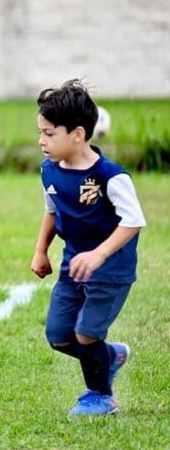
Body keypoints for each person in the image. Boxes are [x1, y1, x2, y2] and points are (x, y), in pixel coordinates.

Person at [31, 79, 145, 416]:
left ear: (77, 134)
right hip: (72, 267)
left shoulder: (110, 176)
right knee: (59, 335)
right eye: (41, 132)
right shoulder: (49, 170)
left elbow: (133, 220)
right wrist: (41, 250)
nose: (41, 141)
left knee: (85, 333)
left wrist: (99, 254)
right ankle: (109, 357)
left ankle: (101, 396)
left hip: (110, 271)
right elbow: (51, 210)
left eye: (49, 133)